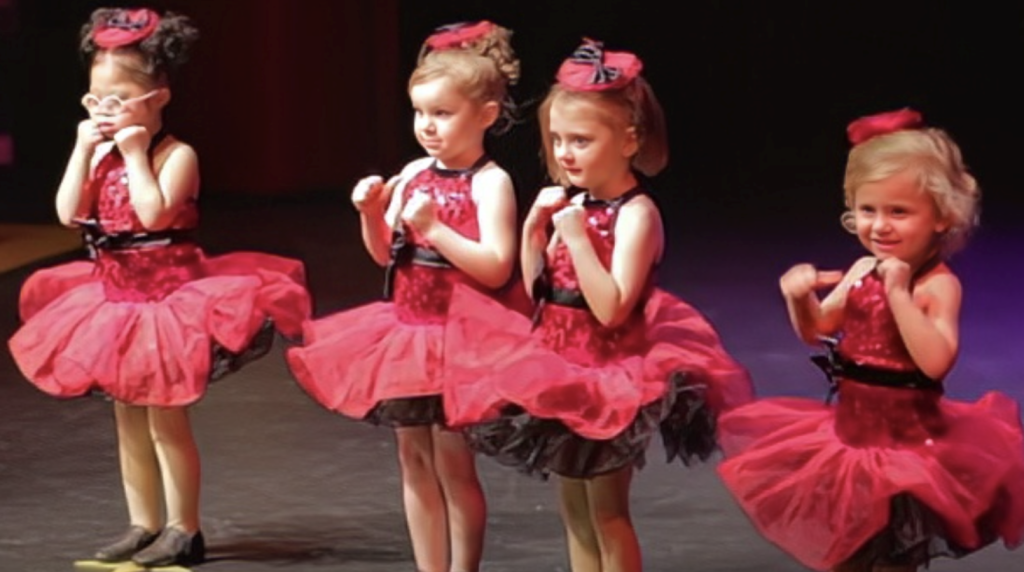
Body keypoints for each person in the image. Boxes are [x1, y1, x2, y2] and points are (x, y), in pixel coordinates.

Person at [7, 7, 311, 567]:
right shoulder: (97, 151)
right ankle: (141, 522)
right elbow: (68, 213)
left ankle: (183, 528)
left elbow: (151, 213)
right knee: (127, 421)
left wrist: (130, 154)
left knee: (166, 421)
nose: (105, 112)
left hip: (165, 304)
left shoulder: (177, 156)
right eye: (95, 100)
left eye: (118, 100)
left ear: (158, 97)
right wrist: (83, 149)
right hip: (113, 300)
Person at [440, 38, 753, 572]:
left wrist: (578, 238)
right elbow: (541, 292)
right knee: (574, 514)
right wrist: (536, 234)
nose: (564, 153)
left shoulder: (638, 214)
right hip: (559, 367)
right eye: (557, 139)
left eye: (581, 140)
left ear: (629, 140)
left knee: (607, 515)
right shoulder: (576, 205)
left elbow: (611, 307)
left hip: (610, 376)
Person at [716, 108, 1024, 572]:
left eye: (898, 212)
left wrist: (899, 293)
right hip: (851, 441)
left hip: (907, 452)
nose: (879, 226)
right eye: (867, 210)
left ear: (942, 217)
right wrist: (799, 298)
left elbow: (935, 361)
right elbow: (818, 329)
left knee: (893, 559)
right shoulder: (861, 271)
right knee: (849, 553)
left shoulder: (937, 285)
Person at [285, 20, 520, 572]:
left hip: (460, 342)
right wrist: (371, 214)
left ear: (485, 115)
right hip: (406, 334)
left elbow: (495, 268)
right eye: (420, 113)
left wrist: (437, 229)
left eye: (443, 113)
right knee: (414, 458)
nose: (428, 127)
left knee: (455, 464)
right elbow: (385, 254)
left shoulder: (491, 182)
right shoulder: (414, 172)